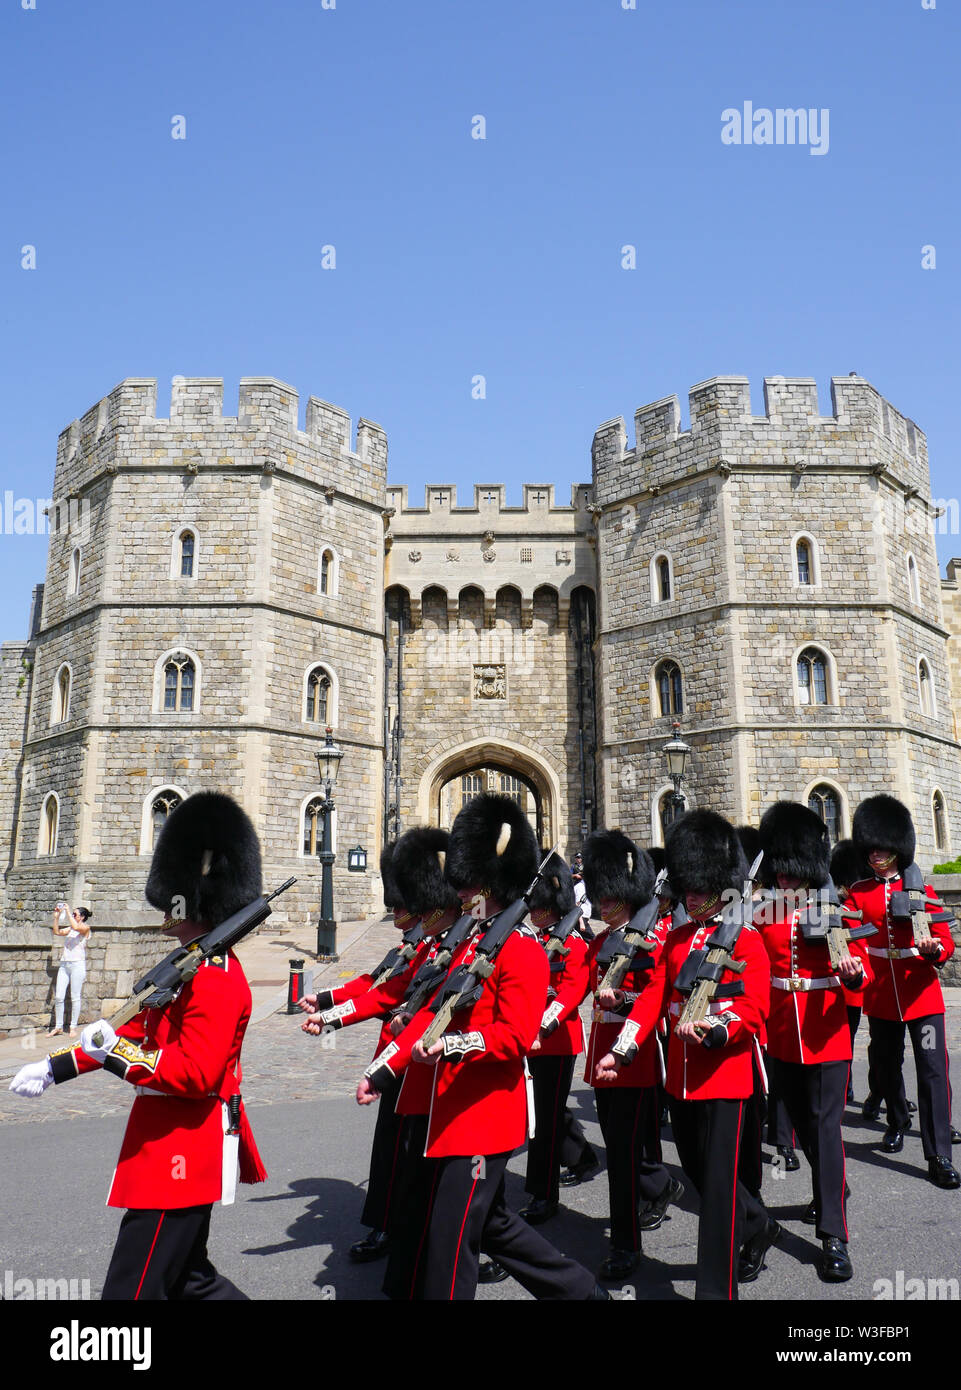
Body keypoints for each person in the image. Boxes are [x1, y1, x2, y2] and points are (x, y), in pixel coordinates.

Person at [10, 792, 267, 1299]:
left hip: (183, 1145)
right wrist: (58, 1065)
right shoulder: (187, 968)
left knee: (134, 1288)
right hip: (165, 1138)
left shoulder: (215, 979)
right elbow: (128, 1031)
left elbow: (194, 1075)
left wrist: (113, 1055)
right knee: (192, 1281)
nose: (165, 913)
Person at [362, 793, 602, 1301]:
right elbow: (430, 1011)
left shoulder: (523, 951)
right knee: (493, 1227)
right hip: (446, 1112)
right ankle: (581, 1293)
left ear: (488, 887)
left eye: (469, 887)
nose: (461, 895)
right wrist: (384, 1069)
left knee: (451, 1246)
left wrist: (451, 1046)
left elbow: (516, 1035)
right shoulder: (469, 945)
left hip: (484, 1116)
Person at [596, 809, 775, 1301]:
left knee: (717, 1193)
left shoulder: (749, 939)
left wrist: (716, 1030)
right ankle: (758, 1223)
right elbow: (655, 998)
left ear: (721, 887)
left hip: (727, 1076)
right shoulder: (675, 940)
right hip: (680, 1078)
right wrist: (625, 1047)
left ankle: (715, 1292)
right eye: (687, 888)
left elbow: (753, 1009)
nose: (690, 896)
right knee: (699, 1176)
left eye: (699, 889)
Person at [301, 829, 461, 1265]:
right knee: (393, 1153)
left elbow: (394, 999)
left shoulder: (451, 947)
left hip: (429, 1064)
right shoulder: (424, 945)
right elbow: (380, 988)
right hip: (401, 1061)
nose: (404, 910)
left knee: (435, 1163)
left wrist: (334, 1016)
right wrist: (328, 1008)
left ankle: (449, 1235)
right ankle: (393, 1225)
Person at [753, 802, 872, 1281]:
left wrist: (852, 972)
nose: (783, 880)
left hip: (825, 1031)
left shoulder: (836, 910)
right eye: (778, 871)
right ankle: (833, 1188)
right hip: (782, 1032)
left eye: (789, 871)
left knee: (825, 1129)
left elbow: (860, 971)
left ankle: (833, 1236)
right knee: (803, 1128)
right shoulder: (764, 914)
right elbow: (756, 972)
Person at [582, 828, 682, 1280]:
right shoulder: (601, 942)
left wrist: (620, 1004)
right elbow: (575, 986)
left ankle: (625, 1245)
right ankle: (660, 1187)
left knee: (623, 1157)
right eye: (601, 899)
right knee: (620, 1150)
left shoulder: (651, 940)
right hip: (601, 1053)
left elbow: (651, 996)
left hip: (634, 1055)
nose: (604, 906)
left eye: (611, 900)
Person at [847, 794, 959, 1188]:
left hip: (921, 995)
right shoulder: (858, 893)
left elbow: (944, 939)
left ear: (898, 847)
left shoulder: (921, 888)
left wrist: (936, 951)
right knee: (885, 1066)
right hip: (880, 995)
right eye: (871, 848)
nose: (876, 855)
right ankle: (897, 1120)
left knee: (931, 1070)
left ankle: (938, 1153)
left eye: (882, 848)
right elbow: (854, 940)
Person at [49, 902, 92, 1036]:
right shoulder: (71, 928)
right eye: (73, 914)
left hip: (77, 964)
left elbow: (75, 926)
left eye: (75, 914)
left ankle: (73, 1026)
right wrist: (56, 917)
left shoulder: (85, 928)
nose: (73, 915)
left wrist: (67, 911)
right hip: (65, 964)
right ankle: (58, 1026)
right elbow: (57, 932)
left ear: (82, 917)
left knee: (75, 996)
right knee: (59, 996)